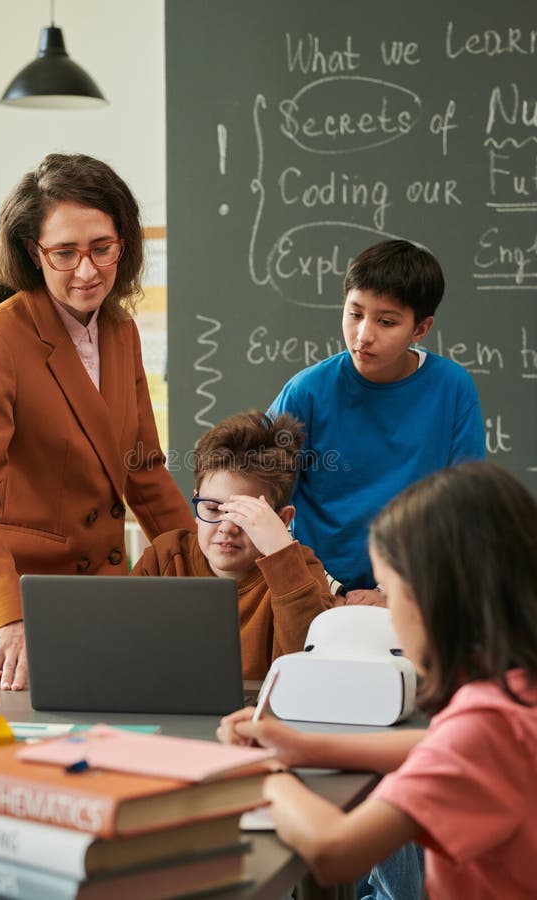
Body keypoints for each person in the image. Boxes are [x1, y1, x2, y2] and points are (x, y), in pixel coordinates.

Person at [217, 461, 537, 900]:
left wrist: (267, 774)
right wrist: (303, 747)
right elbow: (437, 746)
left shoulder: (486, 724)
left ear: (433, 598)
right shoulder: (513, 694)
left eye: (387, 591)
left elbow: (333, 853)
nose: (382, 611)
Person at [0, 153, 194, 691]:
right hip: (12, 609)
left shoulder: (121, 330)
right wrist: (9, 618)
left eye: (103, 248)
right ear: (34, 253)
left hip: (99, 597)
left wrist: (203, 575)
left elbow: (143, 471)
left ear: (124, 242)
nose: (88, 270)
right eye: (65, 253)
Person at [269, 239, 486, 605]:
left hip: (417, 594)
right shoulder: (306, 391)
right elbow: (261, 493)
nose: (364, 335)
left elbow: (464, 509)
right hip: (315, 591)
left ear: (421, 328)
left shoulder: (452, 388)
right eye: (354, 314)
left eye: (386, 322)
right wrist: (319, 586)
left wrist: (395, 593)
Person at [131, 410, 334, 679]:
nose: (227, 526)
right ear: (196, 501)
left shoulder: (299, 570)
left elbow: (314, 670)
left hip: (263, 716)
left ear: (281, 519)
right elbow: (125, 649)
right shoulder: (165, 557)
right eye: (213, 509)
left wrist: (281, 553)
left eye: (245, 514)